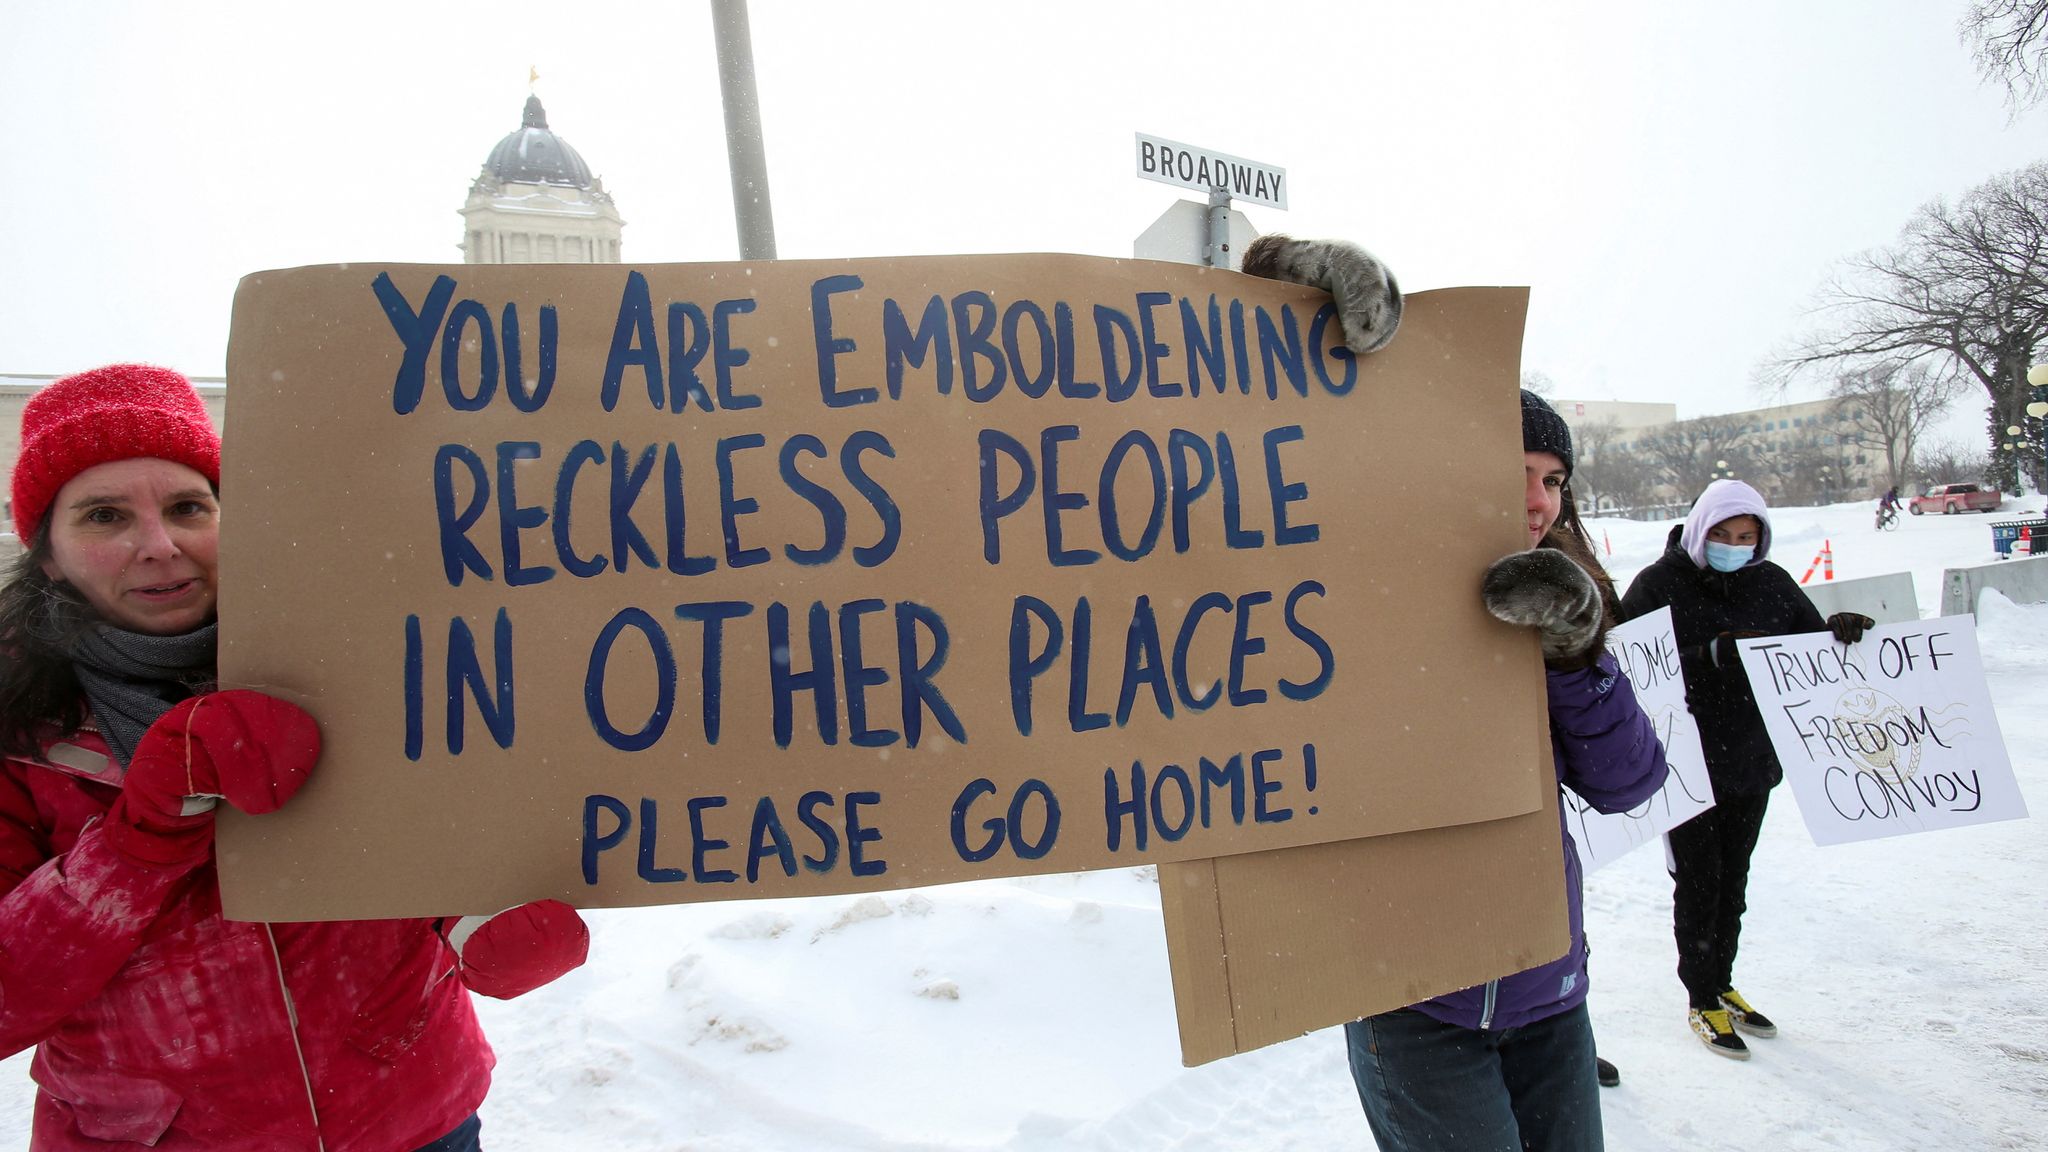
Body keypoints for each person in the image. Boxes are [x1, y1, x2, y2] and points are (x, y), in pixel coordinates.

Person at [0, 364, 593, 1151]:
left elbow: (425, 826)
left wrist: (479, 914)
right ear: (46, 552)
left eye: (187, 507)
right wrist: (137, 845)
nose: (159, 546)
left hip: (414, 1117)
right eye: (104, 516)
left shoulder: (364, 652)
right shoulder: (16, 732)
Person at [1318, 385, 1667, 1151]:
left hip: (1548, 988)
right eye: (1517, 473)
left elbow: (1630, 781)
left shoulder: (1563, 599)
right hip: (1414, 1001)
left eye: (1554, 480)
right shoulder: (1364, 597)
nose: (1539, 500)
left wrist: (1573, 656)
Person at [1619, 479, 1871, 1060]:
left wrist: (1842, 631)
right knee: (1699, 881)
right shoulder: (1659, 584)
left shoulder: (1772, 582)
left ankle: (1723, 981)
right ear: (1699, 529)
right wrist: (1707, 655)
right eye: (1723, 534)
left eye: (1746, 537)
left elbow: (1810, 653)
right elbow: (1626, 665)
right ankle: (1700, 995)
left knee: (1734, 881)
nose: (1734, 546)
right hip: (1685, 765)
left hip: (1752, 759)